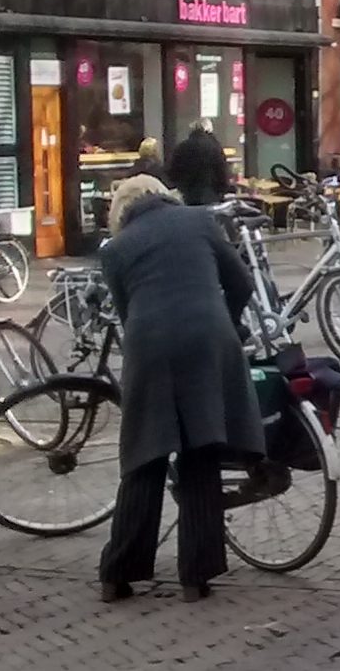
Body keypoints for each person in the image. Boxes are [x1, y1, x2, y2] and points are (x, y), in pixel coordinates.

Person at [96, 175, 264, 604]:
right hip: (207, 340)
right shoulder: (200, 221)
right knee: (201, 451)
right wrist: (220, 319)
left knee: (145, 457)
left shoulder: (115, 250)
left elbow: (124, 310)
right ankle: (196, 576)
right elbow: (242, 282)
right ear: (165, 194)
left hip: (148, 345)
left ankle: (118, 574)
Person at [168, 119, 232, 206]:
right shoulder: (215, 147)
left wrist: (182, 186)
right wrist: (223, 189)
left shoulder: (183, 147)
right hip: (212, 194)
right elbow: (222, 171)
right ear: (209, 129)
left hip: (189, 194)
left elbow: (173, 172)